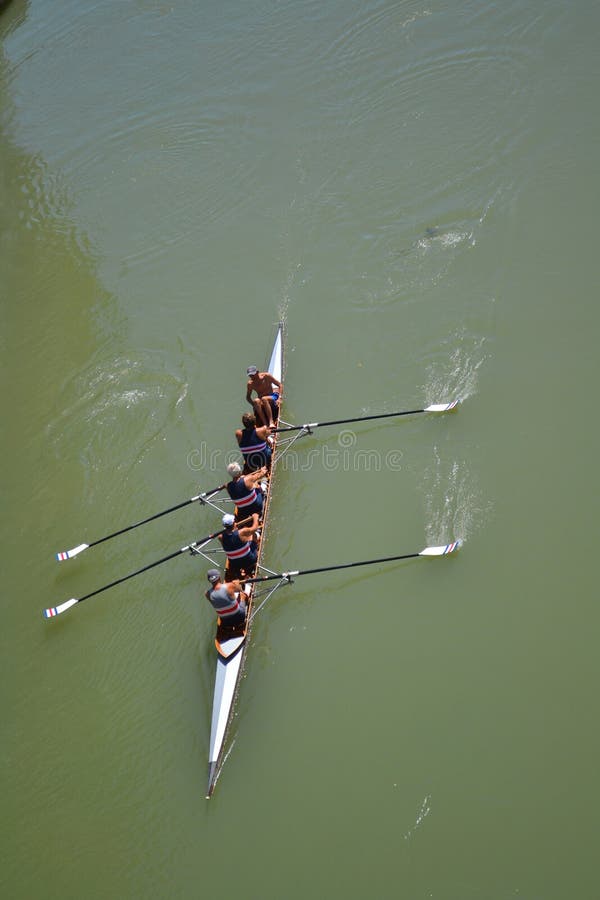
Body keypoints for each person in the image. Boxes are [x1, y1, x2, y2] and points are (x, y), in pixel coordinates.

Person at [218, 512, 260, 578]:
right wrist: (255, 517)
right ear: (234, 522)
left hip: (235, 565)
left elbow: (230, 539)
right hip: (250, 560)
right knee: (254, 535)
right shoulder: (242, 532)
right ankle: (256, 548)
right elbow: (255, 528)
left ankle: (238, 573)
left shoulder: (220, 537)